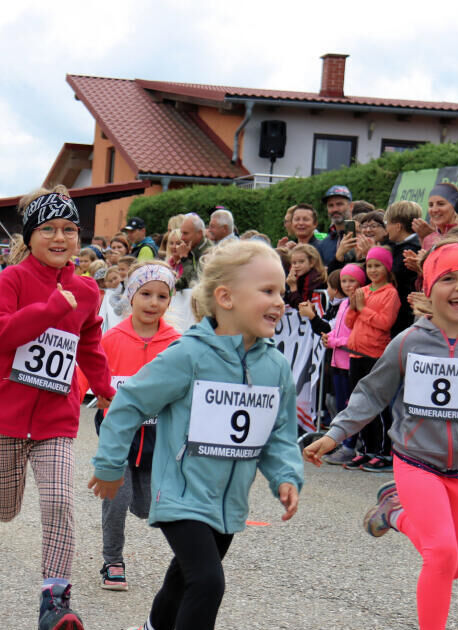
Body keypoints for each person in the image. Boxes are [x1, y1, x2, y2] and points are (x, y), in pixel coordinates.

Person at [304, 241, 458, 630]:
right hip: (416, 462)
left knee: (455, 566)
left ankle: (396, 513)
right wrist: (335, 435)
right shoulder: (409, 341)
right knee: (441, 556)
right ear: (429, 288)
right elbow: (371, 393)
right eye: (449, 279)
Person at [91, 240, 301, 629]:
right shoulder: (188, 355)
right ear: (226, 297)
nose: (279, 302)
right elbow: (129, 402)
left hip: (228, 501)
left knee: (183, 579)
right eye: (268, 291)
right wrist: (109, 465)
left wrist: (286, 475)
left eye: (281, 292)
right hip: (181, 493)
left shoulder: (275, 367)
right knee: (207, 583)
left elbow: (279, 433)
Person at [0, 187, 116, 630]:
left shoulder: (87, 290)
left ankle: (55, 599)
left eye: (69, 229)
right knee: (6, 509)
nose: (60, 238)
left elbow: (89, 343)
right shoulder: (13, 280)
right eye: (48, 230)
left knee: (60, 500)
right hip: (3, 417)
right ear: (29, 236)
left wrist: (105, 389)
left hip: (56, 419)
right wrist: (48, 309)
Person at [82, 261, 181, 592]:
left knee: (149, 505)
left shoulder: (177, 343)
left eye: (162, 296)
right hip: (118, 435)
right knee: (117, 495)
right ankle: (112, 560)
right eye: (146, 294)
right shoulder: (111, 339)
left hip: (158, 437)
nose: (153, 303)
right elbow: (86, 374)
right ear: (131, 296)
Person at [344, 247, 400, 472]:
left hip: (375, 354)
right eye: (369, 266)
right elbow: (349, 322)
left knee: (378, 404)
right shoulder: (363, 290)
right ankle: (368, 448)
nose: (373, 270)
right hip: (356, 353)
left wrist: (362, 309)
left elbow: (385, 323)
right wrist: (353, 308)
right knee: (359, 403)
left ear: (387, 267)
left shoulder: (390, 293)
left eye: (378, 265)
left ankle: (385, 452)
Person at [320, 263, 365, 466]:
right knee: (339, 405)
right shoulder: (344, 303)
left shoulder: (358, 303)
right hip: (338, 361)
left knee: (349, 406)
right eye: (344, 281)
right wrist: (329, 336)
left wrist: (334, 342)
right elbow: (339, 329)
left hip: (350, 362)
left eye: (352, 281)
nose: (347, 285)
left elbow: (356, 336)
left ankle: (350, 445)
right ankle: (341, 442)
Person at [385, 201, 423, 335]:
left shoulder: (408, 251)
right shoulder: (407, 246)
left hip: (405, 317)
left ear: (398, 226)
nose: (386, 229)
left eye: (387, 224)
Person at [316, 185, 353, 267]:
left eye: (339, 204)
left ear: (351, 206)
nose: (335, 209)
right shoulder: (324, 244)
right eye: (330, 205)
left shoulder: (362, 236)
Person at [284, 243, 327, 308]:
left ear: (312, 262)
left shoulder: (313, 278)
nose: (297, 266)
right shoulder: (300, 276)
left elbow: (303, 306)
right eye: (294, 263)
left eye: (301, 262)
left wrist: (293, 287)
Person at [177, 213, 213, 289]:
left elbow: (194, 282)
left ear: (199, 233)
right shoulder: (191, 249)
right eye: (181, 233)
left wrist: (184, 259)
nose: (182, 238)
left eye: (185, 233)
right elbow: (185, 280)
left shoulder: (209, 252)